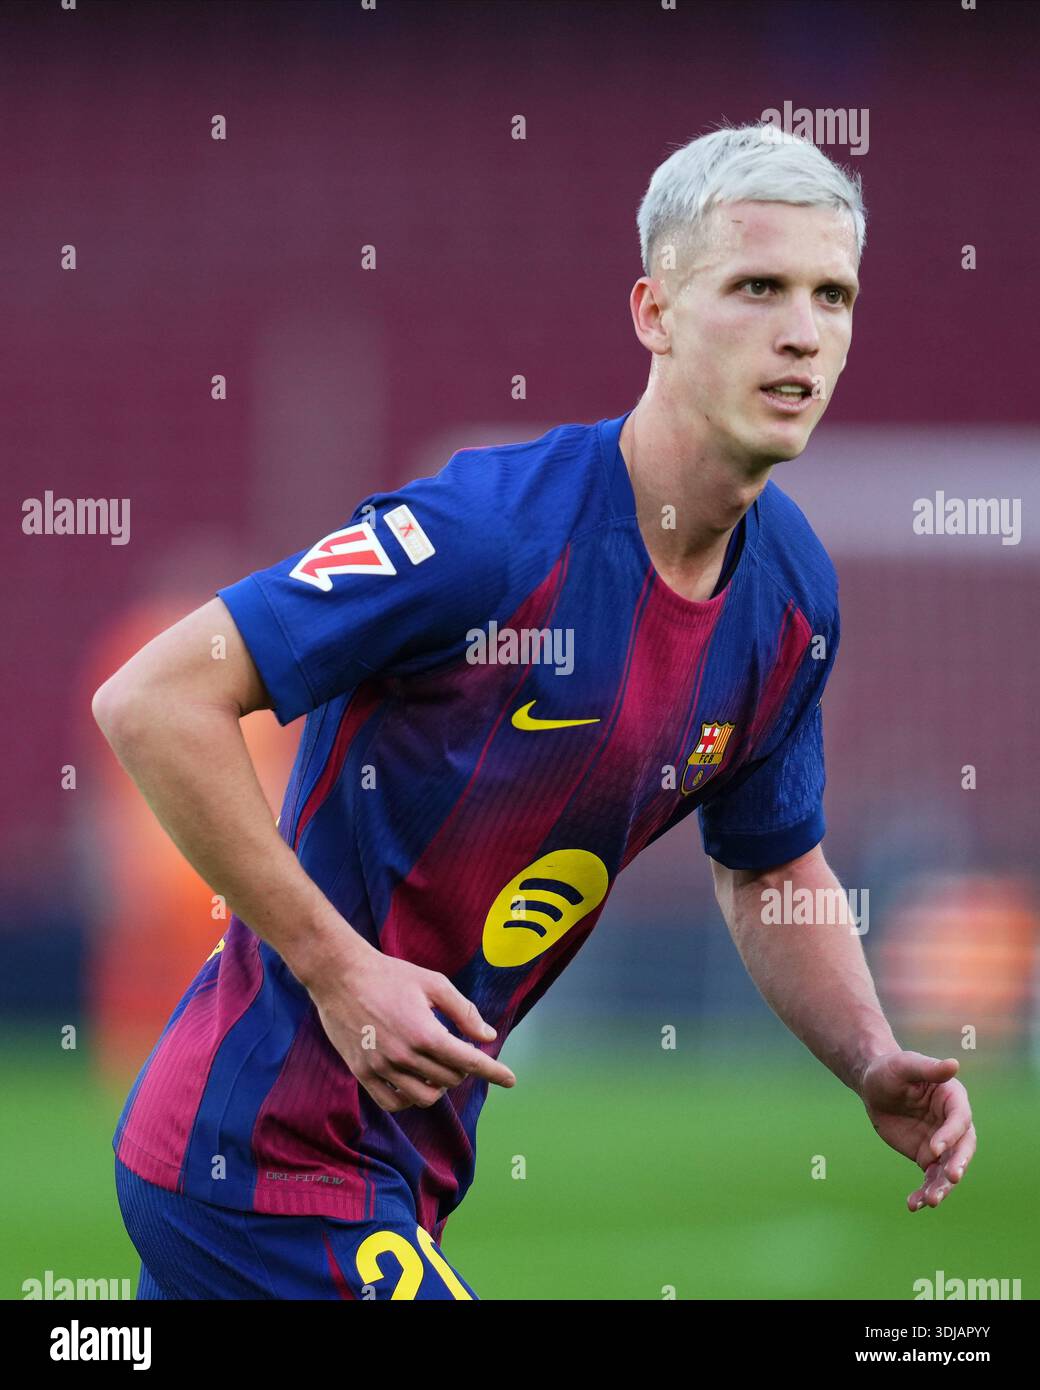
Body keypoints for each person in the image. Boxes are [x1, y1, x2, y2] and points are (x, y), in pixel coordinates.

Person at [93, 122, 975, 1301]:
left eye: (832, 294)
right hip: (262, 1161)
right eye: (755, 287)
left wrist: (867, 1055)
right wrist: (341, 969)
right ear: (653, 313)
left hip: (393, 1164)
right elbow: (153, 698)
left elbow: (768, 864)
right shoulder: (489, 535)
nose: (802, 332)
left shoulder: (791, 596)